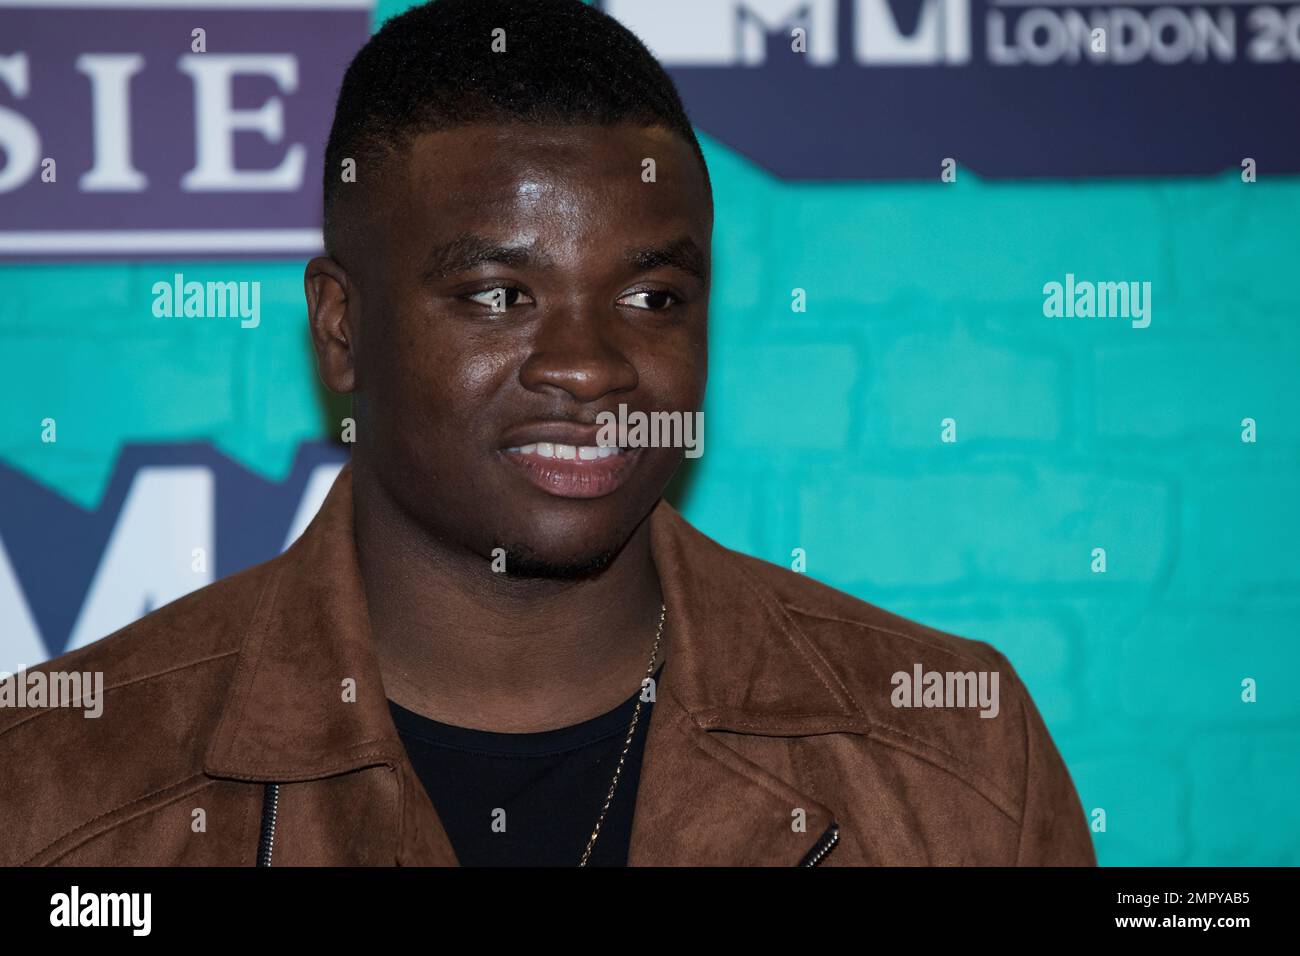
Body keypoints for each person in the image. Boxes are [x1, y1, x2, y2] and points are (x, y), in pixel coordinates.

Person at [0, 0, 1095, 867]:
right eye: (496, 294)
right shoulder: (61, 785)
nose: (590, 364)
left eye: (653, 298)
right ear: (342, 329)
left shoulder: (956, 757)